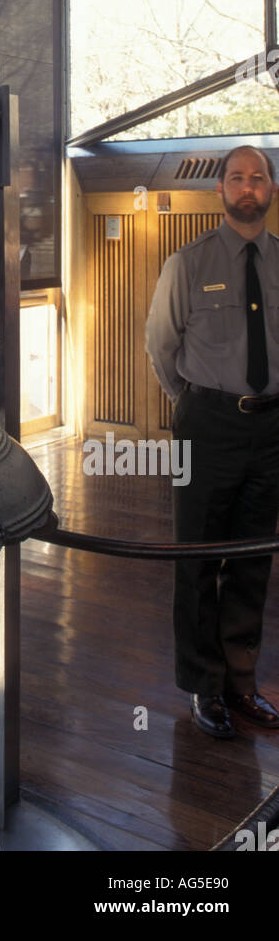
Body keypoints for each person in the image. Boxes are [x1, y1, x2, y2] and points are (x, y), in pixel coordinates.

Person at [145, 144, 279, 739]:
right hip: (207, 424)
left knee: (252, 561)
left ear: (271, 189)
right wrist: (192, 405)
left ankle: (241, 683)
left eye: (258, 177)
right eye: (237, 178)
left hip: (272, 428)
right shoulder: (188, 262)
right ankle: (203, 687)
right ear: (220, 190)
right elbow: (159, 345)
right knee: (196, 558)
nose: (247, 187)